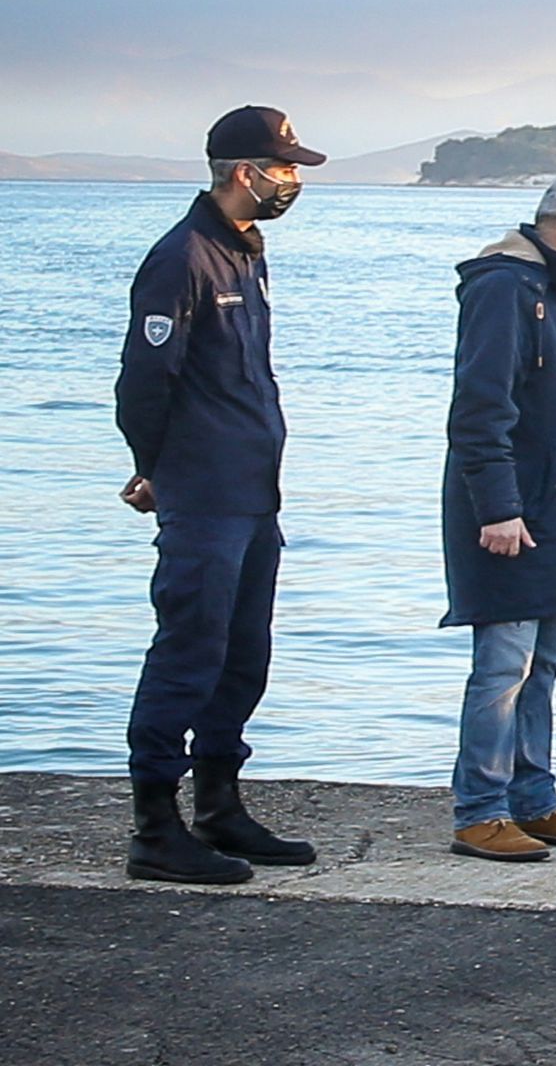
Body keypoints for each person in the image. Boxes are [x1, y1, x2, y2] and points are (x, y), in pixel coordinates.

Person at [113, 105, 326, 884]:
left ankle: (220, 805)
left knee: (243, 654)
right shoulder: (185, 258)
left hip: (252, 493)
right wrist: (153, 466)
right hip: (203, 494)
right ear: (245, 173)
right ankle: (155, 828)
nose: (293, 182)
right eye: (286, 169)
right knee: (189, 651)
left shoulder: (243, 252)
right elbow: (144, 378)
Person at [442, 167, 556, 861]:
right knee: (503, 667)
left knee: (545, 660)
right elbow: (480, 408)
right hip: (512, 515)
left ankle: (534, 797)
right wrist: (497, 507)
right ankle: (480, 809)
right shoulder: (505, 288)